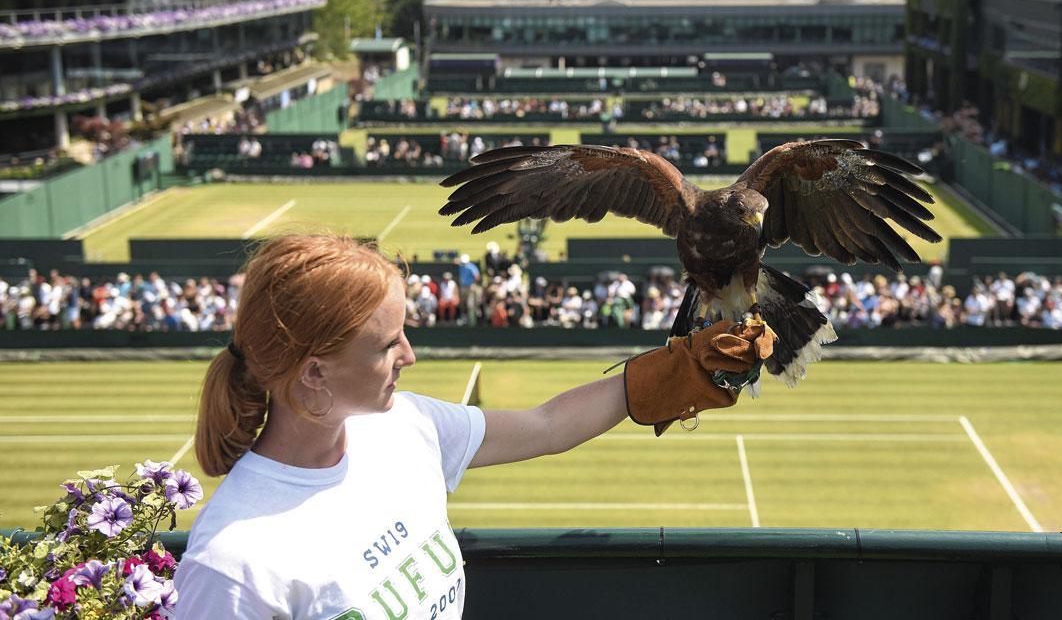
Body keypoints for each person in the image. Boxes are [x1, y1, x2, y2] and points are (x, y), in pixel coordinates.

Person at [175, 234, 768, 618]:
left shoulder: (406, 426)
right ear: (313, 375)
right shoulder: (233, 564)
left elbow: (546, 426)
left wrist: (678, 370)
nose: (409, 356)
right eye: (387, 345)